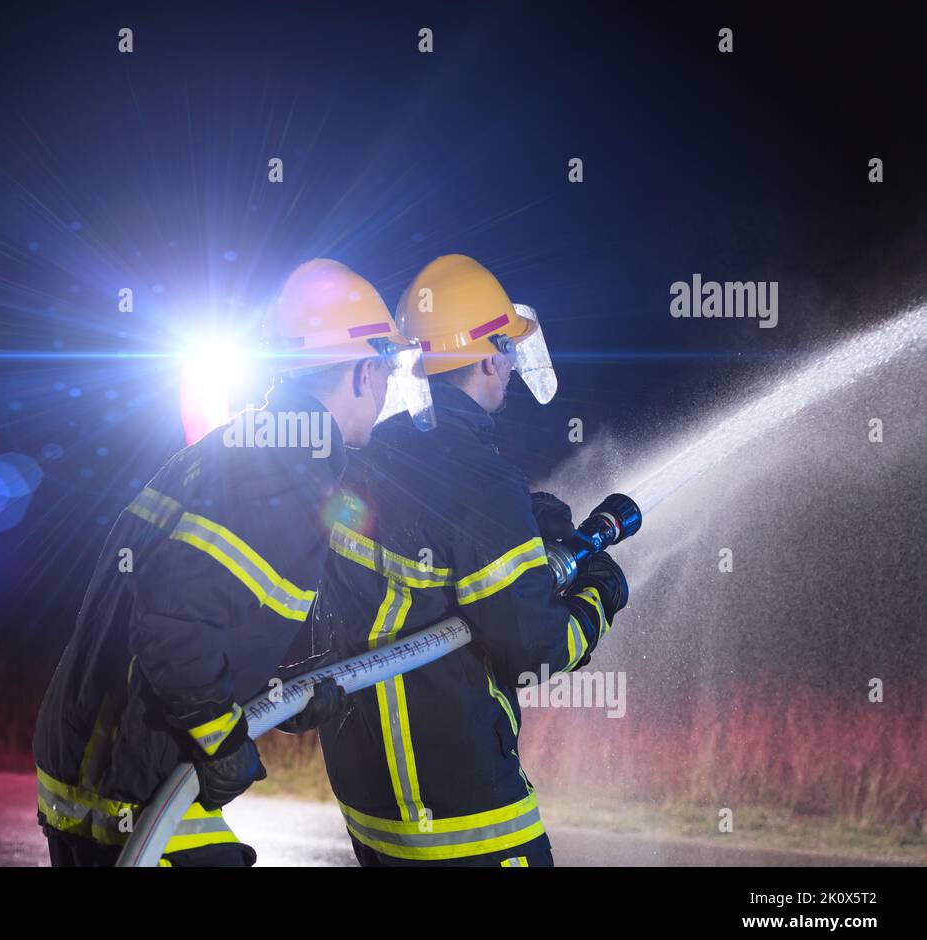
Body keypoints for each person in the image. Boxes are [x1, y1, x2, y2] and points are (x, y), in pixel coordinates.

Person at [32, 258, 433, 866]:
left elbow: (219, 614)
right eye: (385, 370)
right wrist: (220, 740)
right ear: (362, 371)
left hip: (100, 779)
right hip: (139, 794)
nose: (384, 392)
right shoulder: (286, 477)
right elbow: (172, 624)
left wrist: (289, 690)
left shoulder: (244, 449)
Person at [315, 254, 629, 866]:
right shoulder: (480, 480)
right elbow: (534, 648)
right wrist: (599, 594)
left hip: (369, 799)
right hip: (462, 808)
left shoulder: (373, 451)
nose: (510, 364)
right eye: (507, 349)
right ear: (489, 359)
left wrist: (525, 524)